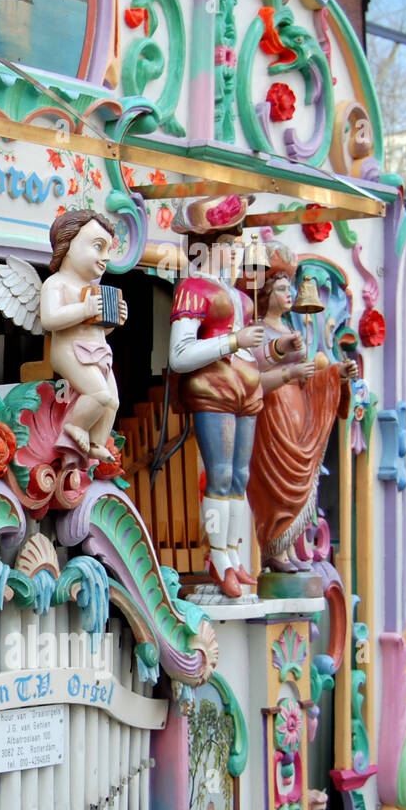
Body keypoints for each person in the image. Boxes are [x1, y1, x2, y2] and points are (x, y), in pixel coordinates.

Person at [167, 195, 276, 598]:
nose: (235, 255)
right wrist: (234, 340)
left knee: (241, 478)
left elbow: (248, 349)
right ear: (208, 247)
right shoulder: (193, 290)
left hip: (246, 391)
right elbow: (179, 357)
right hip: (213, 391)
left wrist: (276, 353)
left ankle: (235, 555)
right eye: (230, 246)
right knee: (221, 475)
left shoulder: (242, 298)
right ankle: (219, 560)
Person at [243, 250, 356, 572]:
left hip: (298, 410)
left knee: (299, 478)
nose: (289, 294)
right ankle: (274, 549)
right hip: (273, 411)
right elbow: (250, 377)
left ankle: (290, 547)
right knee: (275, 480)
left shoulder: (294, 332)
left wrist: (335, 375)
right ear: (265, 295)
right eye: (281, 289)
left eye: (289, 288)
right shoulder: (259, 332)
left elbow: (310, 381)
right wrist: (290, 372)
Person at [39, 209, 129, 461]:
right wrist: (84, 308)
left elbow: (97, 326)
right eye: (98, 247)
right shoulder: (56, 283)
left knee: (112, 402)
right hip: (70, 350)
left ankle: (96, 442)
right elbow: (50, 319)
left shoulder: (94, 289)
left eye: (109, 251)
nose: (105, 258)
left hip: (99, 352)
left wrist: (115, 319)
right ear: (68, 246)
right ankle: (74, 427)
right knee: (98, 395)